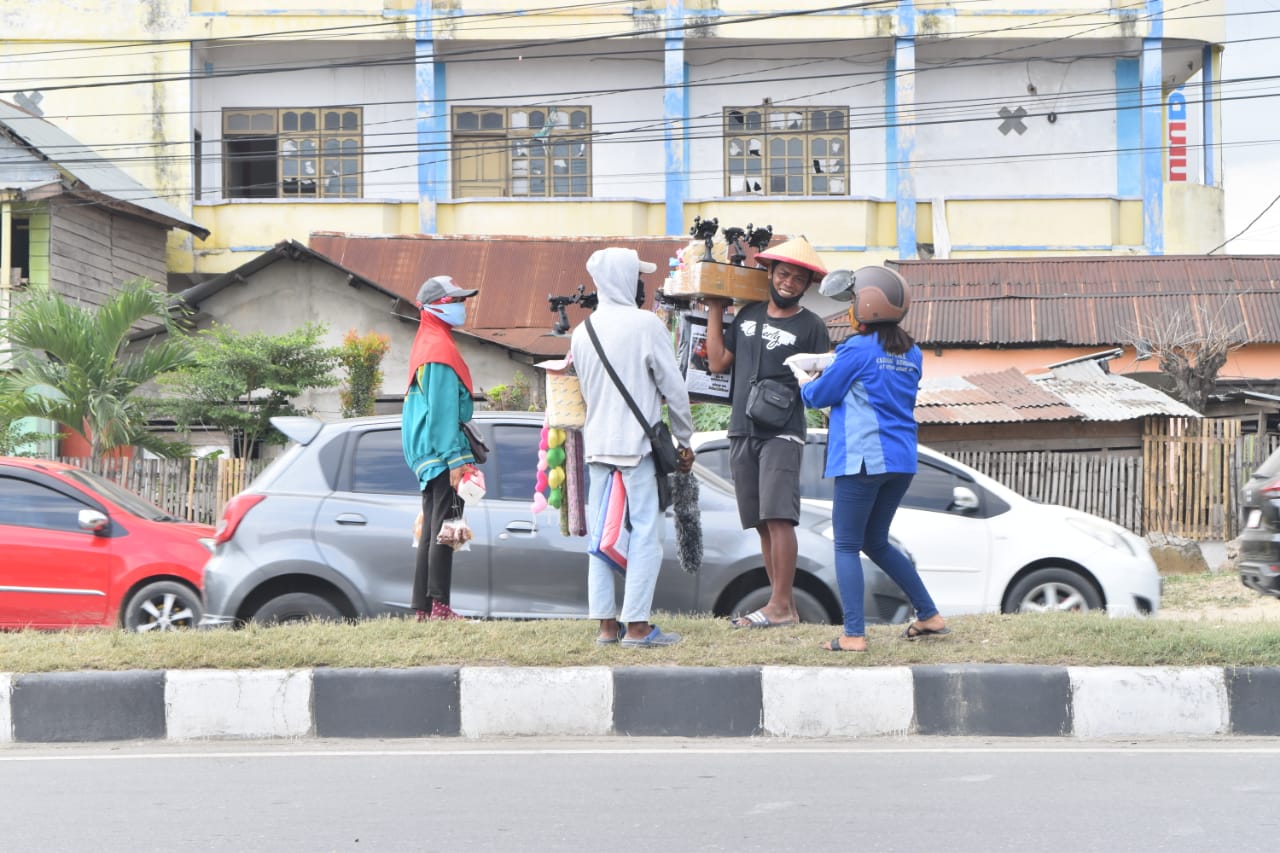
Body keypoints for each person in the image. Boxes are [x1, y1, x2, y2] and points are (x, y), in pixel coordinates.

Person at [795, 266, 949, 651]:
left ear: (865, 308)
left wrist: (802, 377)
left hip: (863, 460)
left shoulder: (857, 349)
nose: (847, 310)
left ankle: (853, 634)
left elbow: (818, 397)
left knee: (846, 544)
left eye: (851, 302)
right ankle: (928, 615)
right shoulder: (911, 352)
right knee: (876, 541)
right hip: (901, 461)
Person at [570, 247, 696, 648]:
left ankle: (607, 627)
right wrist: (685, 438)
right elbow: (674, 388)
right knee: (645, 534)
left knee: (602, 538)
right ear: (626, 280)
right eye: (638, 277)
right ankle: (638, 627)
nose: (643, 284)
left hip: (598, 448)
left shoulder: (582, 331)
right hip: (637, 448)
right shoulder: (646, 325)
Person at [702, 236, 831, 629]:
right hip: (742, 428)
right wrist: (714, 309)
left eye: (798, 279)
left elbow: (818, 383)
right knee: (760, 521)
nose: (789, 282)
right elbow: (720, 363)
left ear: (807, 285)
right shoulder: (748, 317)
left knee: (779, 519)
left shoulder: (812, 327)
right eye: (784, 274)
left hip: (783, 432)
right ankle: (783, 607)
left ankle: (779, 605)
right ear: (770, 273)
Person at [402, 274, 481, 622]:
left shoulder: (429, 341)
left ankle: (423, 608)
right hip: (442, 448)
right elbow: (444, 413)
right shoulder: (439, 350)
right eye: (455, 301)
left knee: (436, 527)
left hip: (428, 448)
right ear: (434, 307)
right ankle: (439, 607)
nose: (462, 307)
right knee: (448, 526)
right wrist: (455, 461)